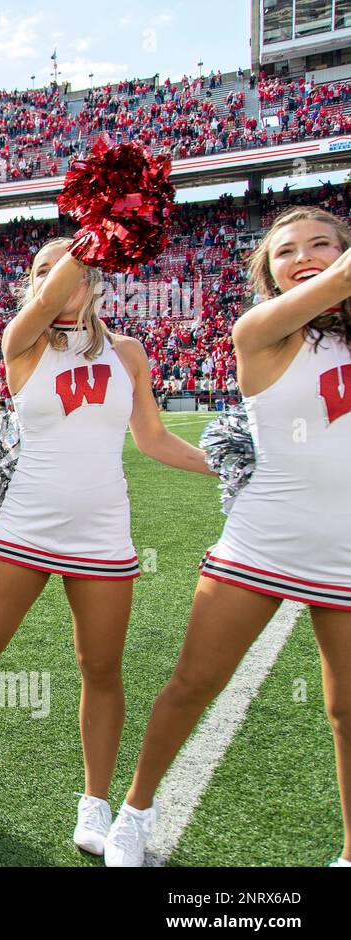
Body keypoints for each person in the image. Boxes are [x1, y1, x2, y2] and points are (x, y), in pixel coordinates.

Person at [0, 238, 213, 857]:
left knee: (99, 668)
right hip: (25, 523)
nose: (56, 279)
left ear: (95, 281)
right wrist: (90, 229)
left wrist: (225, 467)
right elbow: (50, 294)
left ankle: (96, 799)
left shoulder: (128, 355)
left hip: (103, 531)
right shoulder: (20, 343)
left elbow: (153, 439)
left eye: (68, 267)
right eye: (43, 272)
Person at [108, 207, 351, 868]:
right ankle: (135, 809)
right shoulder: (261, 333)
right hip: (261, 542)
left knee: (345, 709)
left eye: (322, 243)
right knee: (192, 682)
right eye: (286, 251)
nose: (304, 255)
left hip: (346, 553)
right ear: (268, 275)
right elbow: (332, 287)